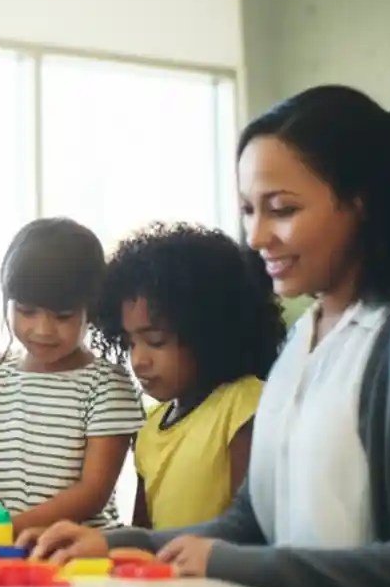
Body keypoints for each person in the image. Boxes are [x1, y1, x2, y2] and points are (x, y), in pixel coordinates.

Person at [24, 86, 390, 587]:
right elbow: (252, 523)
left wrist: (226, 563)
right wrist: (122, 543)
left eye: (283, 209)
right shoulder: (304, 339)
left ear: (361, 202)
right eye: (249, 209)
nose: (257, 235)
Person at [92, 222, 285, 529]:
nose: (138, 360)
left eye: (156, 341)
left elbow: (252, 529)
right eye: (129, 343)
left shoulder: (244, 405)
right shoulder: (149, 428)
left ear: (207, 332)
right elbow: (142, 538)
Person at [0, 218, 145, 536]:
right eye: (26, 311)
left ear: (90, 311)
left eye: (63, 316)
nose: (43, 330)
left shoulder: (106, 385)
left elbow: (92, 494)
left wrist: (5, 531)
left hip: (75, 554)